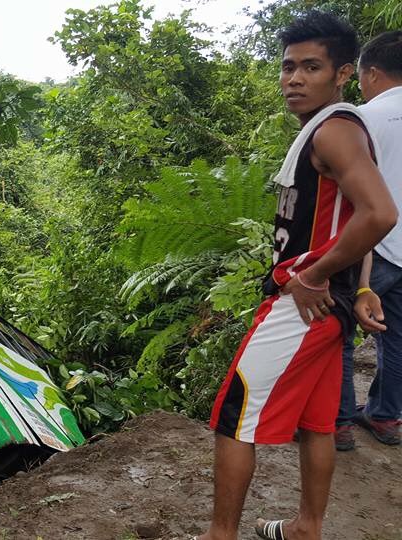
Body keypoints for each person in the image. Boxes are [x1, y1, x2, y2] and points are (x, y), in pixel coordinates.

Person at [199, 11, 397, 540]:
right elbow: (357, 218)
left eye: (311, 67)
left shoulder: (334, 130)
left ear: (343, 73)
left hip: (301, 305)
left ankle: (222, 535)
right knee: (316, 422)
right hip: (328, 305)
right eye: (288, 67)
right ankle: (308, 526)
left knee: (234, 414)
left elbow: (381, 214)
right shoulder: (332, 128)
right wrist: (355, 286)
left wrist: (314, 276)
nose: (294, 78)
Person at [338, 30, 402, 450]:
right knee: (397, 335)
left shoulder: (360, 120)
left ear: (372, 74)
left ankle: (338, 421)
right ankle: (385, 416)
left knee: (336, 330)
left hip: (373, 246)